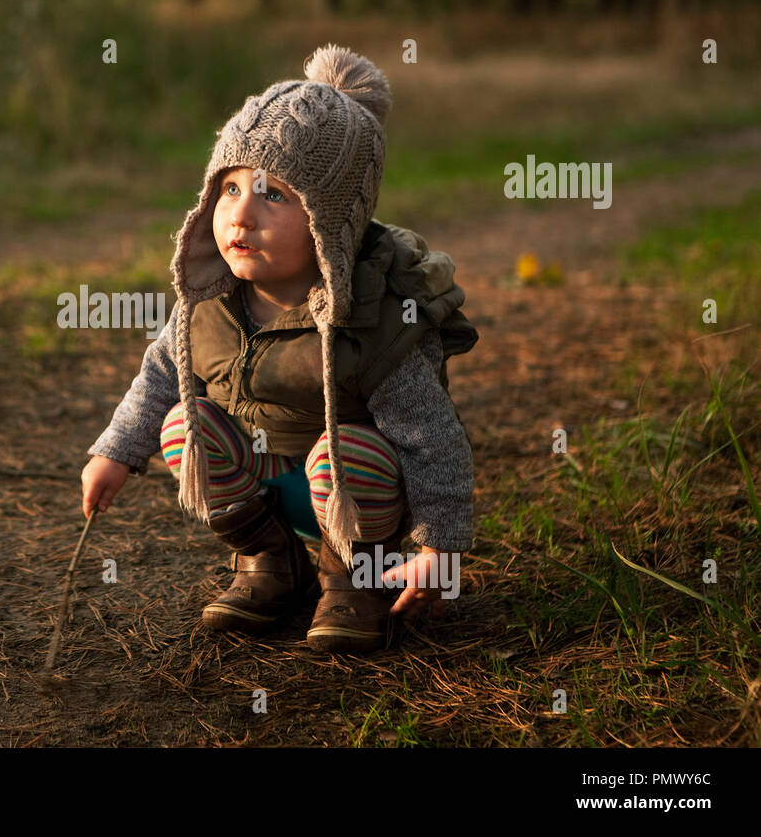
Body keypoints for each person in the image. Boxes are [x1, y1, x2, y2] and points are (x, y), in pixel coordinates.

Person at [81, 44, 480, 654]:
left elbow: (434, 438)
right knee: (183, 422)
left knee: (346, 450)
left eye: (274, 195)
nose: (240, 215)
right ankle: (271, 561)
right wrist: (116, 450)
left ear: (331, 220)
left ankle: (355, 580)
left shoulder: (374, 322)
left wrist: (440, 550)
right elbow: (159, 374)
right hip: (266, 482)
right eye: (229, 188)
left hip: (355, 496)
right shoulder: (209, 299)